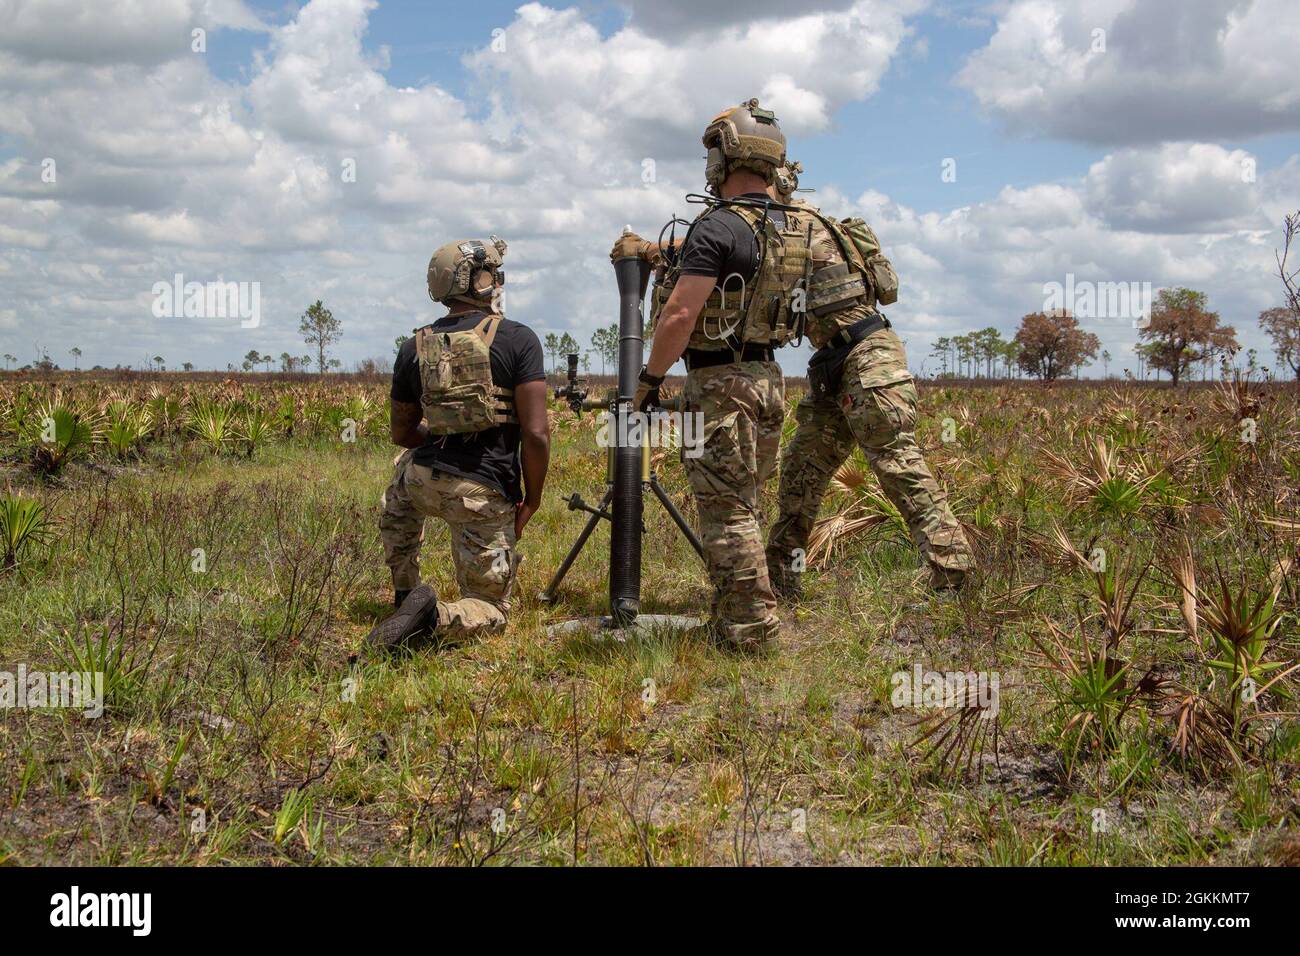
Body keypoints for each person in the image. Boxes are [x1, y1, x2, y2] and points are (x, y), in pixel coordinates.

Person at [612, 98, 806, 652]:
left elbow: (679, 314)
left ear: (724, 157)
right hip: (769, 378)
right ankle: (739, 613)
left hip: (719, 385)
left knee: (724, 509)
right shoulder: (795, 227)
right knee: (744, 501)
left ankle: (750, 630)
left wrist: (649, 382)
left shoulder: (717, 226)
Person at [763, 169, 975, 601]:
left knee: (898, 465)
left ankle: (953, 576)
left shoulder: (799, 230)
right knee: (802, 470)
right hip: (835, 364)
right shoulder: (804, 226)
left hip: (868, 358)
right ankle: (780, 580)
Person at [365, 236, 550, 653]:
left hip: (421, 483)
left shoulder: (414, 346)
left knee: (402, 473)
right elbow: (536, 434)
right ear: (482, 280)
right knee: (492, 608)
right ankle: (433, 617)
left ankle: (403, 592)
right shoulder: (519, 340)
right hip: (480, 494)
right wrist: (531, 500)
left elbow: (403, 434)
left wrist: (438, 433)